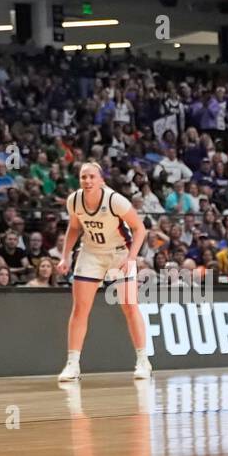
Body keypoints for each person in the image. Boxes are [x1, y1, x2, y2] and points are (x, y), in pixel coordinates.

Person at [56, 162, 152, 382]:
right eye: (83, 177)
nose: (87, 181)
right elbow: (73, 228)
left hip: (120, 253)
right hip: (91, 252)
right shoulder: (74, 200)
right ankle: (72, 364)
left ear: (101, 180)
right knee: (80, 309)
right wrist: (65, 256)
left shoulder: (115, 200)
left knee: (129, 306)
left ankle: (143, 361)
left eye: (91, 177)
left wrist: (131, 258)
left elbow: (140, 228)